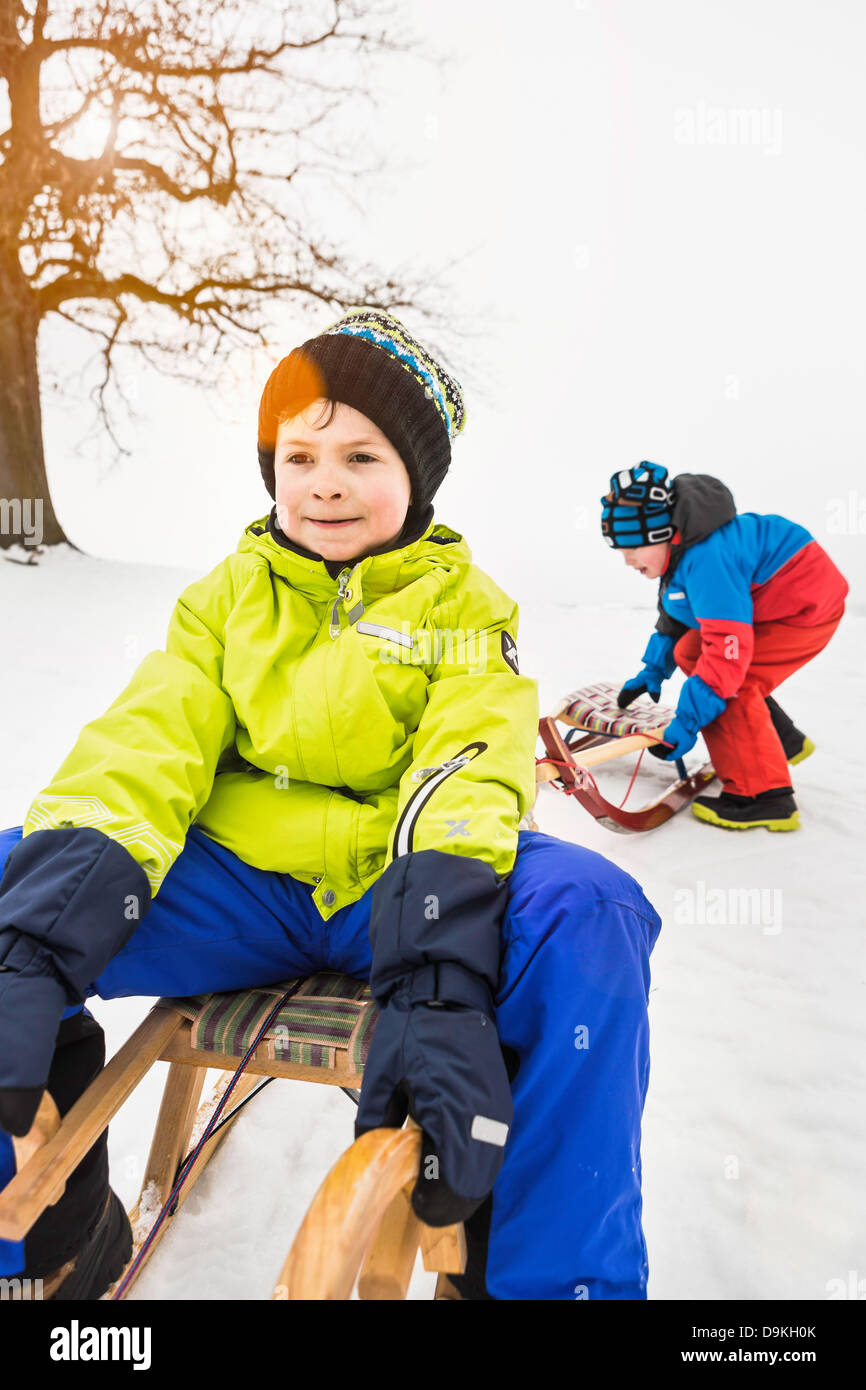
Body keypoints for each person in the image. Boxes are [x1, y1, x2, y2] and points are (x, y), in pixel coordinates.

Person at [0, 312, 661, 1301]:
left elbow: (464, 764)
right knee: (16, 888)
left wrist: (439, 973)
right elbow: (147, 744)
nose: (324, 481)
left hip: (392, 892)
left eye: (361, 453)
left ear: (416, 478)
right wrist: (33, 942)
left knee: (591, 913)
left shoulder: (459, 607)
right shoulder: (226, 601)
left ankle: (547, 1282)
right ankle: (50, 1241)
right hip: (238, 889)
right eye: (297, 454)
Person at [601, 462, 848, 830]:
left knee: (733, 683)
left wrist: (686, 723)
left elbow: (724, 656)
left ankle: (764, 796)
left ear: (664, 532)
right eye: (620, 550)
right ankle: (782, 740)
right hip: (772, 601)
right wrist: (654, 669)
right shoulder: (686, 547)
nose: (628, 559)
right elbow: (679, 614)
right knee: (690, 652)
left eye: (634, 547)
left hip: (802, 609)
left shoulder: (706, 558)